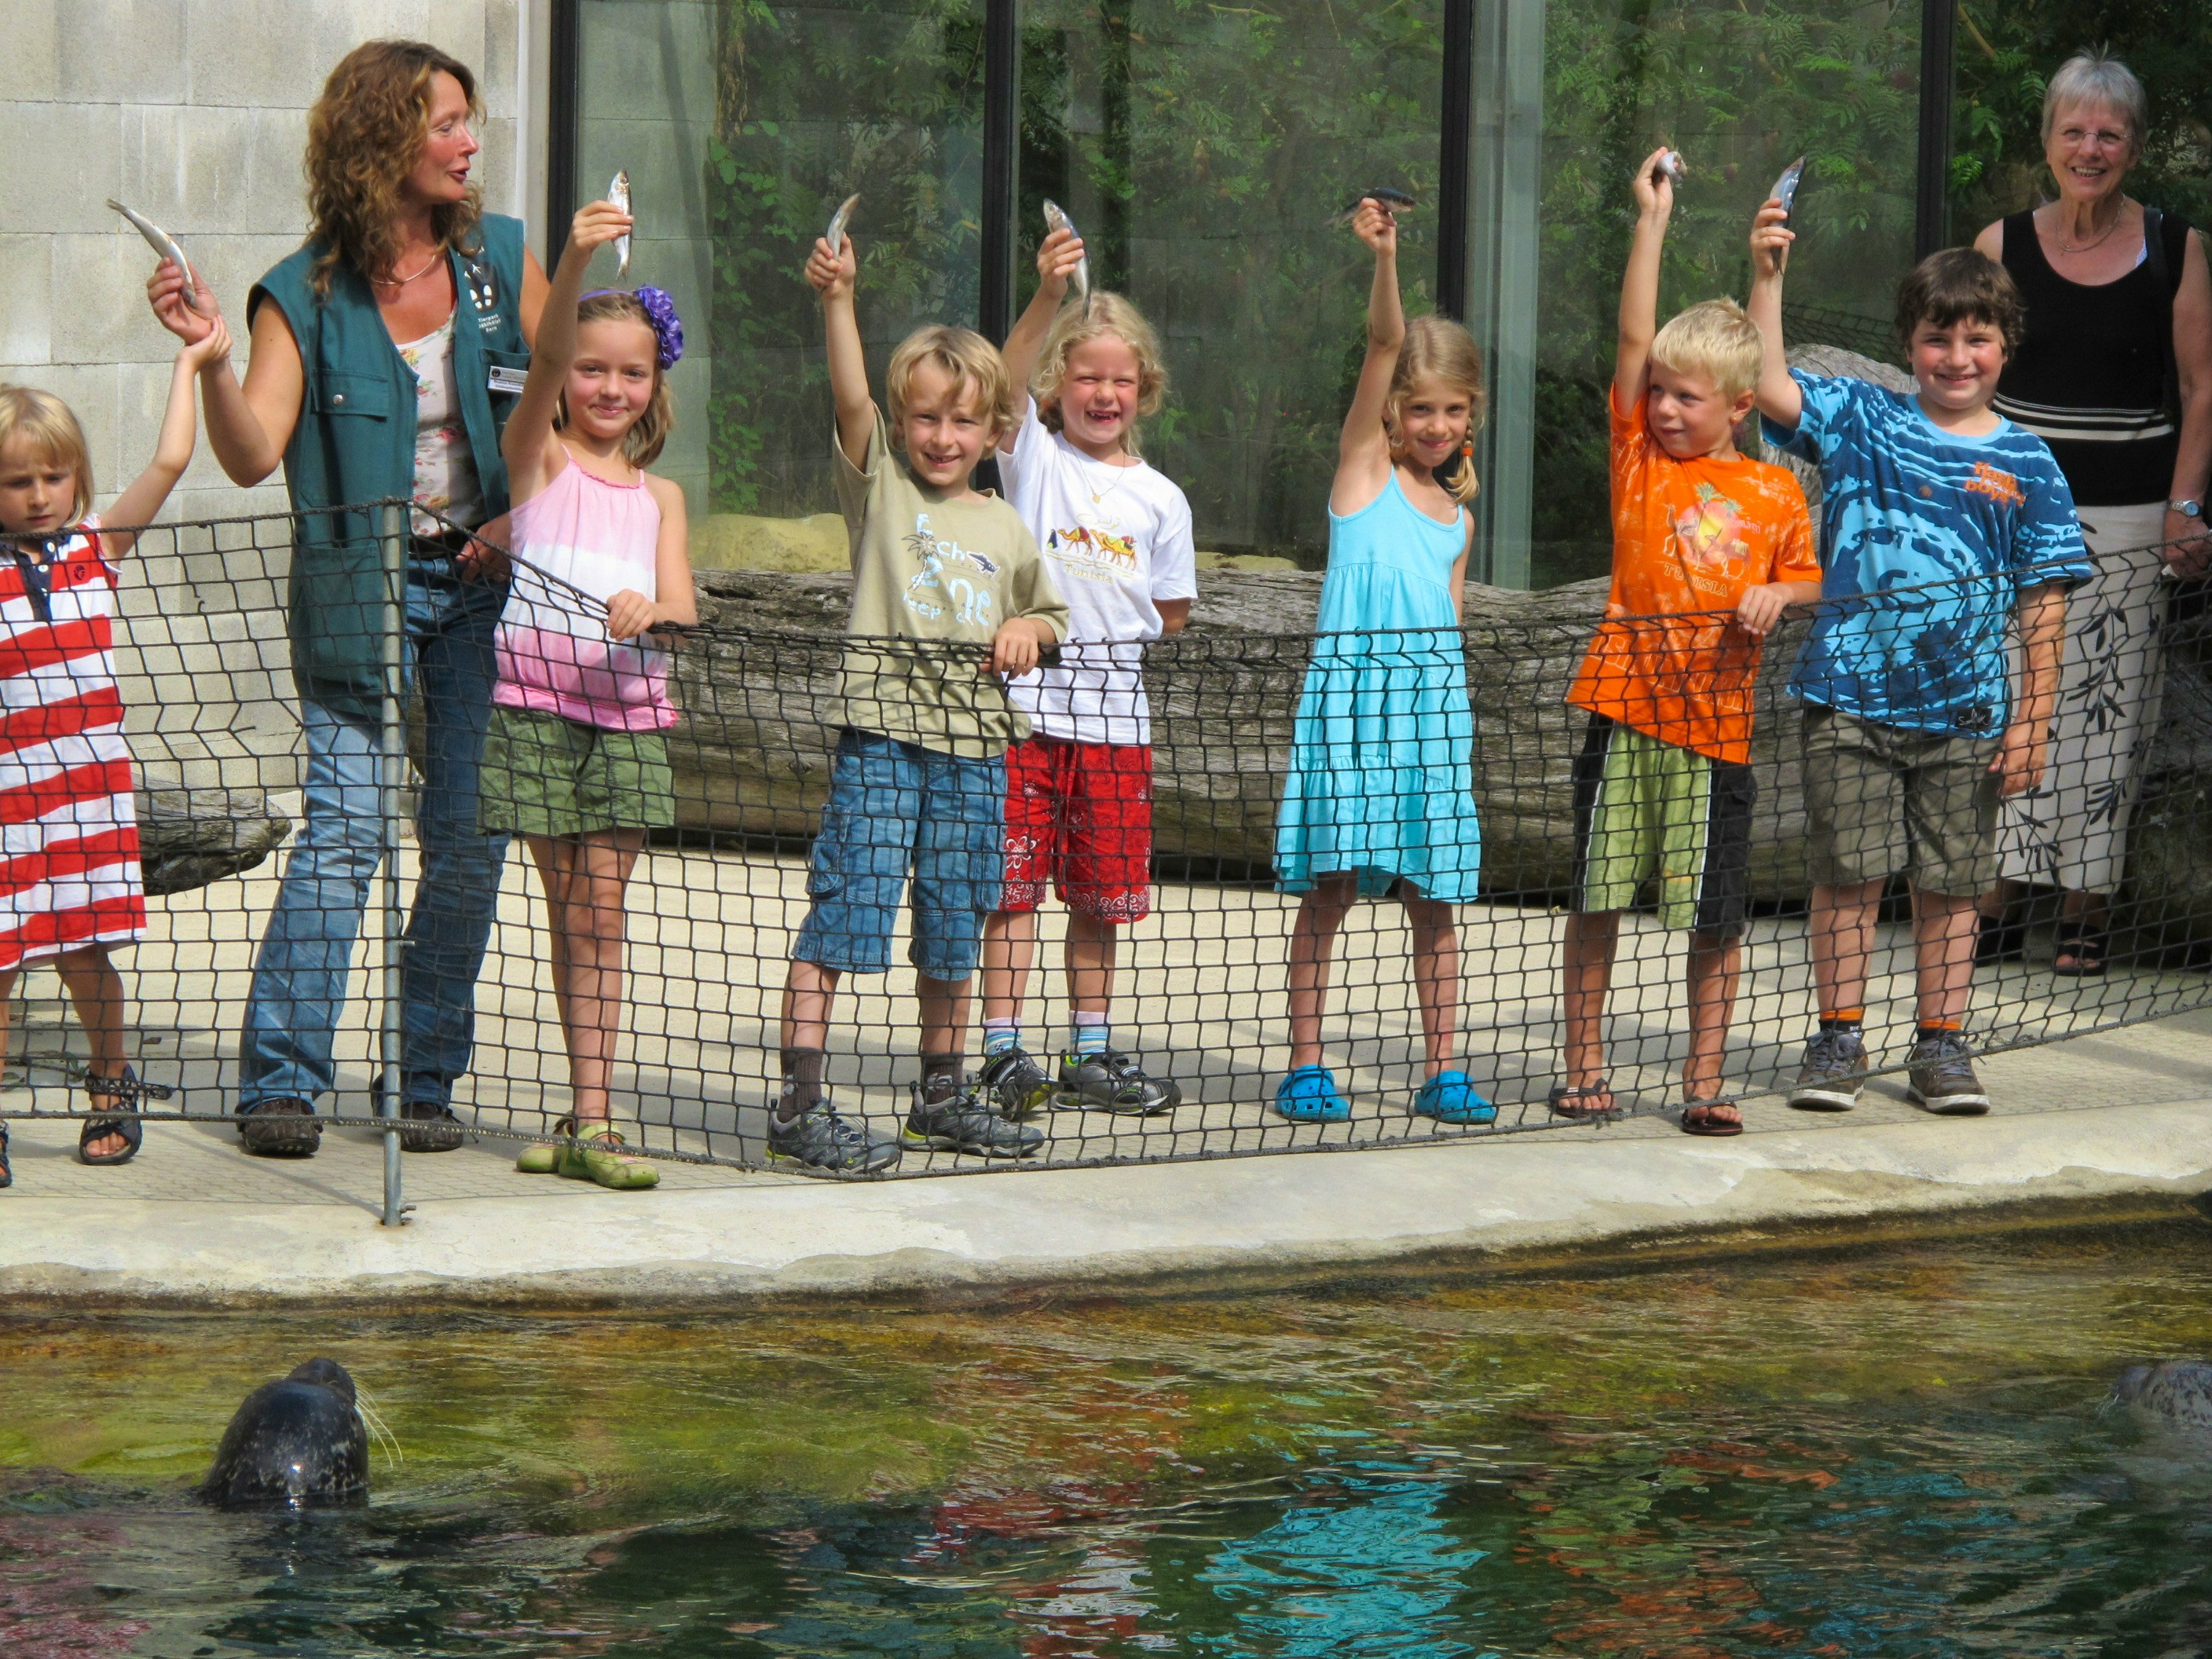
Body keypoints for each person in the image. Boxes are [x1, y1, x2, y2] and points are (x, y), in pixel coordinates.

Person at [147, 40, 547, 1158]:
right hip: (358, 595)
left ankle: (425, 1080)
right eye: (447, 123)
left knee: (470, 836)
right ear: (382, 141)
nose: (472, 143)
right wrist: (213, 359)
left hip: (483, 593)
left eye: (472, 121)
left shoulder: (503, 263)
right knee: (350, 830)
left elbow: (556, 408)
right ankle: (280, 1079)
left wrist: (519, 509)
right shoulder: (305, 292)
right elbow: (248, 453)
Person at [1749, 213, 2092, 1116]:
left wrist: (2031, 724)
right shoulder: (1861, 417)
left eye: (1974, 338)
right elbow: (1762, 384)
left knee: (1949, 888)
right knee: (1846, 877)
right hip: (1846, 702)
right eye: (1936, 337)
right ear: (1907, 343)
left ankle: (1940, 1048)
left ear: (2003, 346)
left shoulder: (2028, 463)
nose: (1954, 355)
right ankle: (1837, 1039)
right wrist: (1767, 273)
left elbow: (2042, 606)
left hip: (1968, 717)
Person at [771, 220, 1070, 1174]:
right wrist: (836, 298)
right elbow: (849, 392)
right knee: (844, 915)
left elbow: (1049, 614)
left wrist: (1032, 630)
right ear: (902, 428)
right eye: (926, 419)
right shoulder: (882, 491)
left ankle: (939, 1097)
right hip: (883, 739)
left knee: (954, 922)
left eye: (963, 421)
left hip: (976, 750)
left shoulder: (1008, 524)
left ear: (995, 431)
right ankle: (799, 1106)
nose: (943, 437)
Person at [1555, 150, 1821, 1137]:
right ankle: (1581, 1068)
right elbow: (1631, 334)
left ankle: (1702, 1080)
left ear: (1738, 410)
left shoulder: (1773, 488)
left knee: (1713, 920)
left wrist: (1776, 593)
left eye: (1686, 397)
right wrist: (1649, 220)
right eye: (1657, 391)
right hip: (1622, 711)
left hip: (1718, 733)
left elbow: (1814, 575)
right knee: (1596, 901)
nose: (1663, 408)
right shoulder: (1634, 459)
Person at [1971, 49, 2212, 976]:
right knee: (2007, 706)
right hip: (2011, 516)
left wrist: (2184, 507)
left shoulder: (2176, 245)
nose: (2089, 147)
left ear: (2134, 146)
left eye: (2108, 132)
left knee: (2105, 719)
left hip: (2127, 518)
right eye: (2073, 129)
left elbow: (2200, 389)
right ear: (2046, 142)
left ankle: (2084, 909)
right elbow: (1967, 376)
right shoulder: (2000, 244)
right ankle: (1995, 904)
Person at [489, 200, 695, 1192]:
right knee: (565, 907)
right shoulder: (542, 460)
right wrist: (570, 259)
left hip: (626, 720)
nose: (609, 386)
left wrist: (651, 609)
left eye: (631, 370)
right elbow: (535, 367)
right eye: (591, 365)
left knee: (601, 914)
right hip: (529, 712)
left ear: (655, 384)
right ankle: (582, 1112)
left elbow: (685, 607)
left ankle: (595, 1116)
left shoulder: (661, 498)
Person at [1269, 196, 1489, 1126]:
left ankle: (1443, 1070)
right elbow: (1377, 346)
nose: (1434, 424)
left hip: (1429, 732)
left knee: (1433, 904)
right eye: (1418, 407)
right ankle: (1305, 1065)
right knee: (1326, 894)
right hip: (1350, 722)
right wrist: (1386, 260)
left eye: (1452, 409)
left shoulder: (1459, 520)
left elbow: (1447, 636)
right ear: (1393, 411)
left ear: (1469, 413)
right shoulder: (1359, 477)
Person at [973, 227, 1197, 1120]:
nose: (1102, 393)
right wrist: (1047, 293)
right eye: (1085, 374)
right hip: (1021, 717)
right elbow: (1001, 371)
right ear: (1054, 385)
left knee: (1100, 899)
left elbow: (1170, 612)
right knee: (1010, 891)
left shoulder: (1161, 497)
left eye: (1120, 378)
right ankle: (1000, 1049)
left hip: (1114, 731)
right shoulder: (1032, 459)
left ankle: (1090, 1050)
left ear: (1143, 390)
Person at [0, 340, 229, 1184]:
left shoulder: (98, 549)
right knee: (2, 961)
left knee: (82, 953)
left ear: (77, 481)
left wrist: (191, 362)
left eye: (51, 478)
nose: (36, 496)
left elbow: (172, 457)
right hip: (9, 798)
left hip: (88, 795)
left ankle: (110, 1086)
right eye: (16, 482)